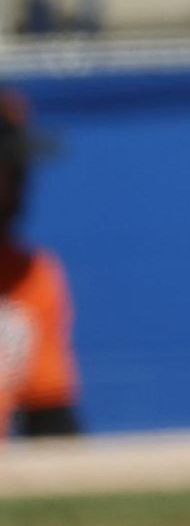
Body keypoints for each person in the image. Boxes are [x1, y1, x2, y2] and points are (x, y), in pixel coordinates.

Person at [0, 89, 81, 439]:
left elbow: (51, 420)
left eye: (18, 170)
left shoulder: (31, 275)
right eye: (9, 169)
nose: (20, 183)